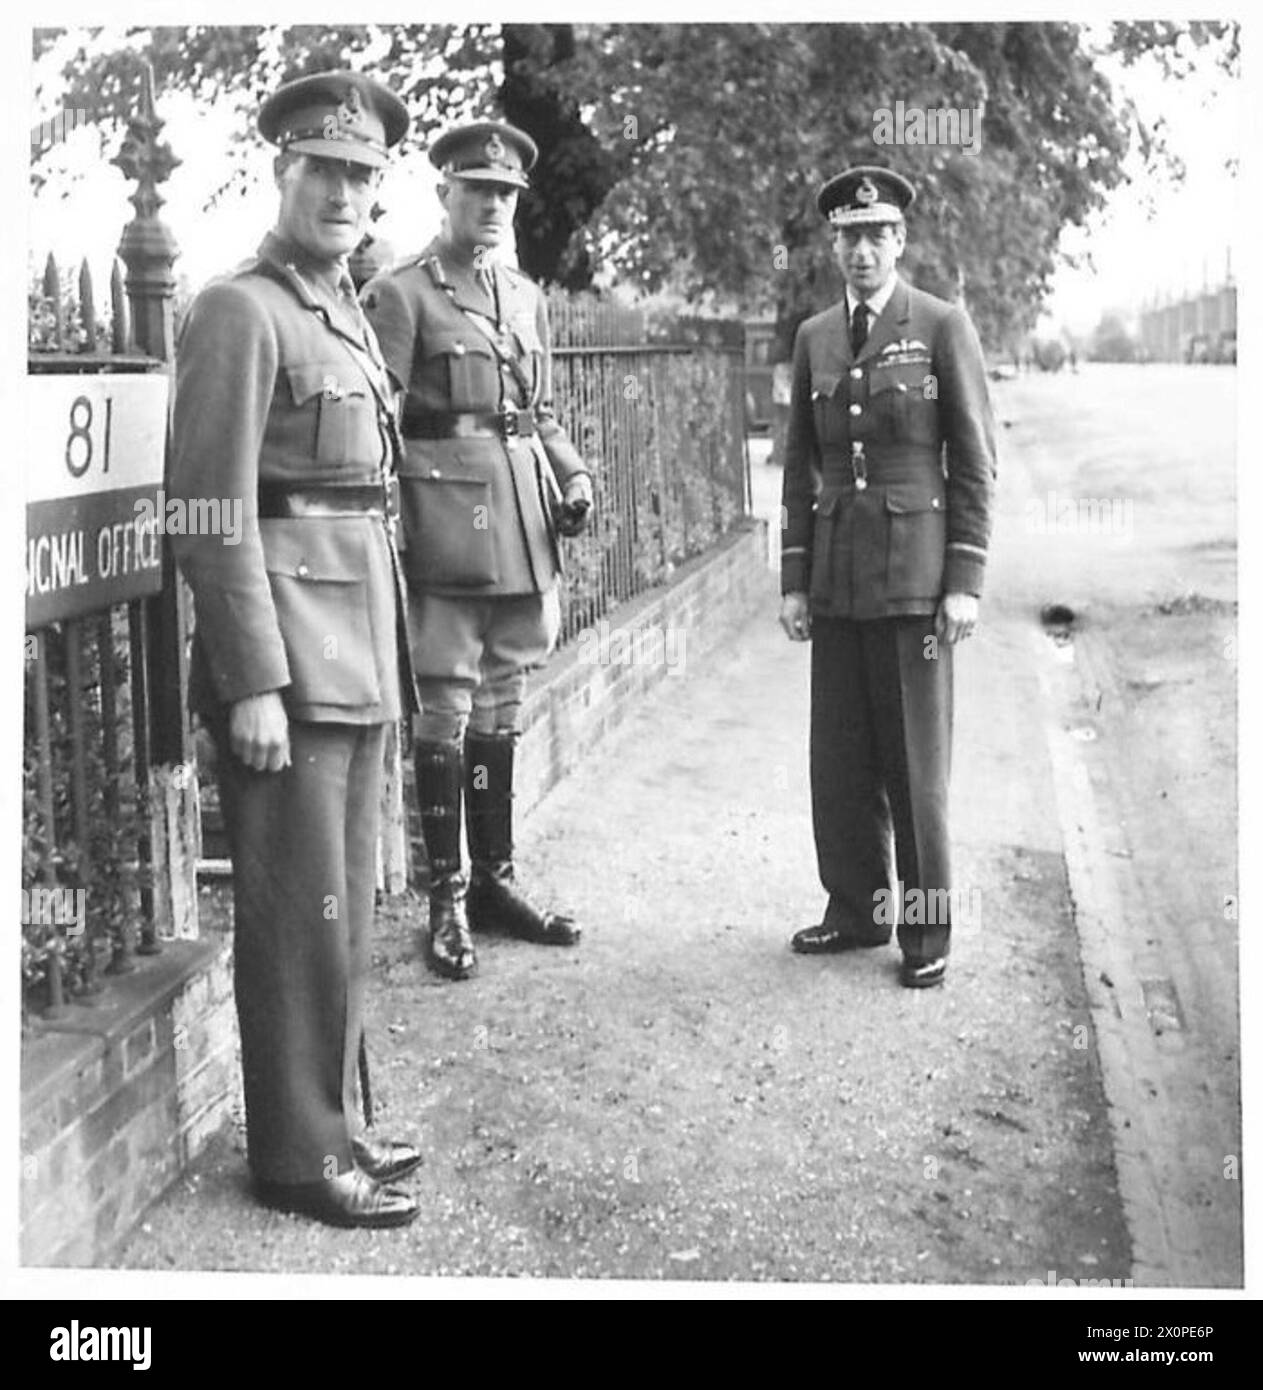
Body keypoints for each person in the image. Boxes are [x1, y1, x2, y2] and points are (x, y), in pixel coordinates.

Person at [168, 71, 423, 1226]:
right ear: (284, 171)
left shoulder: (341, 301)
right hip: (291, 666)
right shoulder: (240, 308)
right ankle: (299, 1156)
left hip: (359, 645)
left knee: (344, 909)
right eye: (325, 170)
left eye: (363, 176)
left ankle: (339, 1121)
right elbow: (208, 511)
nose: (345, 193)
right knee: (294, 915)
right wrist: (252, 682)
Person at [361, 120, 594, 982]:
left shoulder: (526, 298)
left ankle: (495, 882)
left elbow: (537, 413)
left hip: (524, 524)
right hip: (445, 531)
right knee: (445, 711)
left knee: (503, 704)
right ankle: (445, 896)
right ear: (445, 197)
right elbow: (373, 423)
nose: (494, 206)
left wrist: (571, 478)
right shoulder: (401, 293)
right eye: (478, 191)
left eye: (505, 195)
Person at [779, 165, 996, 989]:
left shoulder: (940, 326)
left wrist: (964, 579)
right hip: (836, 576)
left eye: (877, 235)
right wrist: (795, 581)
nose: (862, 250)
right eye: (848, 236)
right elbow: (801, 463)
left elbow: (974, 463)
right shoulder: (813, 337)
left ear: (900, 241)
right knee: (838, 758)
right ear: (832, 245)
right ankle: (855, 909)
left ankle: (926, 929)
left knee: (914, 765)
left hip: (915, 576)